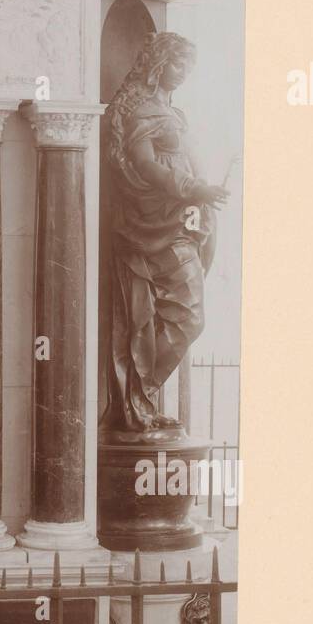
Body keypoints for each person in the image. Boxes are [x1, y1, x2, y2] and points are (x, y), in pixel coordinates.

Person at [102, 31, 229, 436]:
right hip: (154, 226)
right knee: (189, 317)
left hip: (178, 222)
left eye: (189, 66)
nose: (183, 73)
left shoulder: (170, 111)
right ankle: (137, 395)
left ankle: (139, 397)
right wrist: (192, 189)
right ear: (158, 65)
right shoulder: (143, 111)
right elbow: (144, 166)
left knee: (176, 315)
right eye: (177, 64)